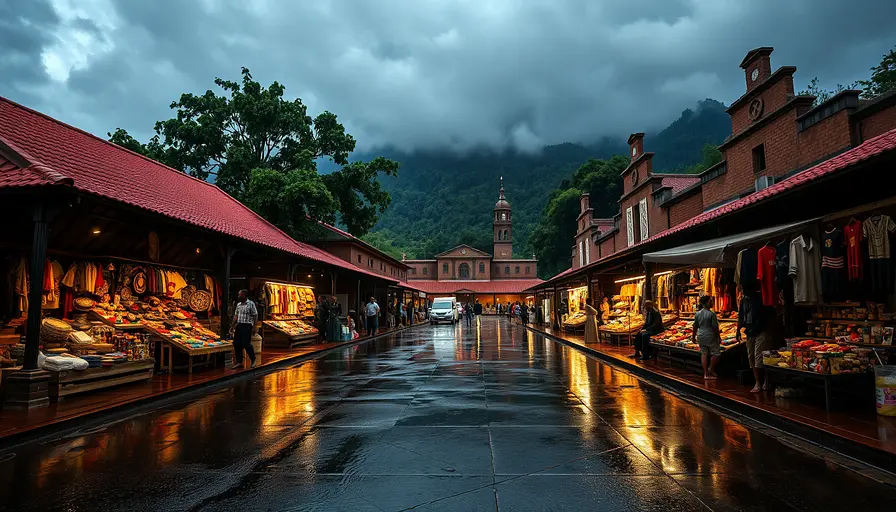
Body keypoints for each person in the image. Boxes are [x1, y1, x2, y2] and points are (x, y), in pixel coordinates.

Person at [737, 294, 771, 392]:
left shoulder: (760, 298)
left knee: (759, 356)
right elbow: (741, 315)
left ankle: (764, 380)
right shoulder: (744, 300)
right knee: (751, 356)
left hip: (760, 330)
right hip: (749, 331)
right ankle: (758, 382)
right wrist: (738, 329)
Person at [692, 295, 721, 380]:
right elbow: (715, 327)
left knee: (704, 353)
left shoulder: (698, 313)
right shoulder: (711, 314)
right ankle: (711, 368)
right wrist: (718, 337)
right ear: (706, 303)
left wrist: (693, 336)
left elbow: (695, 326)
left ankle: (705, 374)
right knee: (716, 353)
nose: (712, 302)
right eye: (710, 301)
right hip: (710, 335)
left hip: (700, 335)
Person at [229, 289, 258, 369]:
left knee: (246, 343)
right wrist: (232, 325)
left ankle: (253, 359)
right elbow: (236, 315)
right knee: (236, 343)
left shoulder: (251, 304)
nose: (238, 296)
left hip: (247, 325)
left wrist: (254, 327)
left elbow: (255, 315)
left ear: (244, 295)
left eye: (240, 295)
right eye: (238, 294)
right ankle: (239, 362)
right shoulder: (238, 305)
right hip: (239, 325)